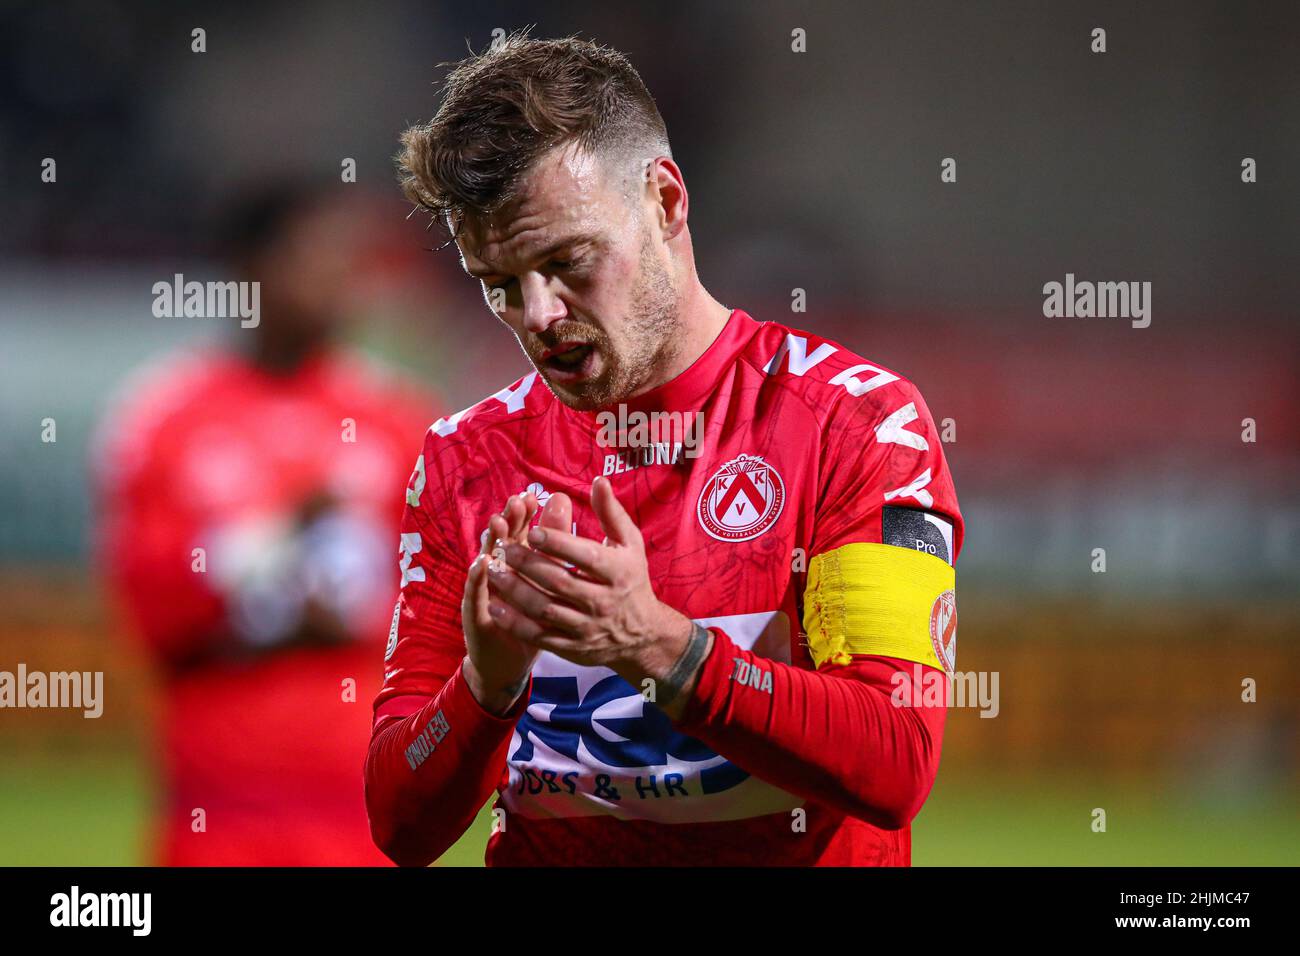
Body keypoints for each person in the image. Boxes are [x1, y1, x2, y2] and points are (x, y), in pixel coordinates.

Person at [365, 32, 963, 866]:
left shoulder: (856, 424)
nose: (537, 315)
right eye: (497, 284)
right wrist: (486, 688)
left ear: (666, 201)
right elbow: (400, 824)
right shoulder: (467, 458)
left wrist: (657, 647)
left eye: (565, 261)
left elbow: (893, 764)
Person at [95, 185, 437, 865]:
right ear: (251, 268)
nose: (341, 282)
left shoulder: (400, 421)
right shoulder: (164, 418)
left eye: (348, 263)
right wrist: (268, 577)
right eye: (316, 259)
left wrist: (361, 619)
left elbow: (436, 610)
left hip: (358, 811)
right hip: (218, 814)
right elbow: (146, 603)